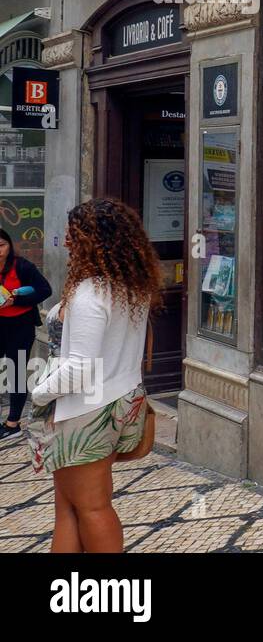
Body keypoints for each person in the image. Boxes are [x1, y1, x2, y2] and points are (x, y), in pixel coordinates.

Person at [27, 199, 162, 553]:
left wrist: (38, 394)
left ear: (96, 240)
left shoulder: (91, 293)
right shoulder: (131, 287)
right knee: (70, 507)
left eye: (75, 235)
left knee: (91, 507)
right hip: (120, 400)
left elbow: (79, 368)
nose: (67, 242)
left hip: (86, 410)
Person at [0, 229, 52, 439]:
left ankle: (13, 423)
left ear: (9, 245)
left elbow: (44, 290)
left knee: (15, 372)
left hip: (20, 326)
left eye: (1, 245)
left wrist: (17, 300)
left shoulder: (22, 266)